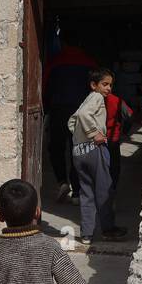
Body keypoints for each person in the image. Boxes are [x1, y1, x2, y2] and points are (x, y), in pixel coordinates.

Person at [67, 67, 127, 244]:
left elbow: (72, 121)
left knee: (86, 192)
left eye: (110, 85)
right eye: (105, 84)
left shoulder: (85, 100)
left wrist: (79, 136)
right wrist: (94, 133)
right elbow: (85, 115)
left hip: (79, 152)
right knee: (105, 190)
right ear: (94, 85)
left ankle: (86, 234)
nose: (108, 88)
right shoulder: (97, 97)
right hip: (94, 149)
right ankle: (108, 229)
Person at [43, 30, 96, 203]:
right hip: (81, 114)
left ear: (64, 43)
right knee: (78, 149)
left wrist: (45, 109)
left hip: (58, 111)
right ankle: (77, 191)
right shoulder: (90, 64)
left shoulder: (54, 63)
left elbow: (44, 87)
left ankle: (62, 182)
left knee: (56, 148)